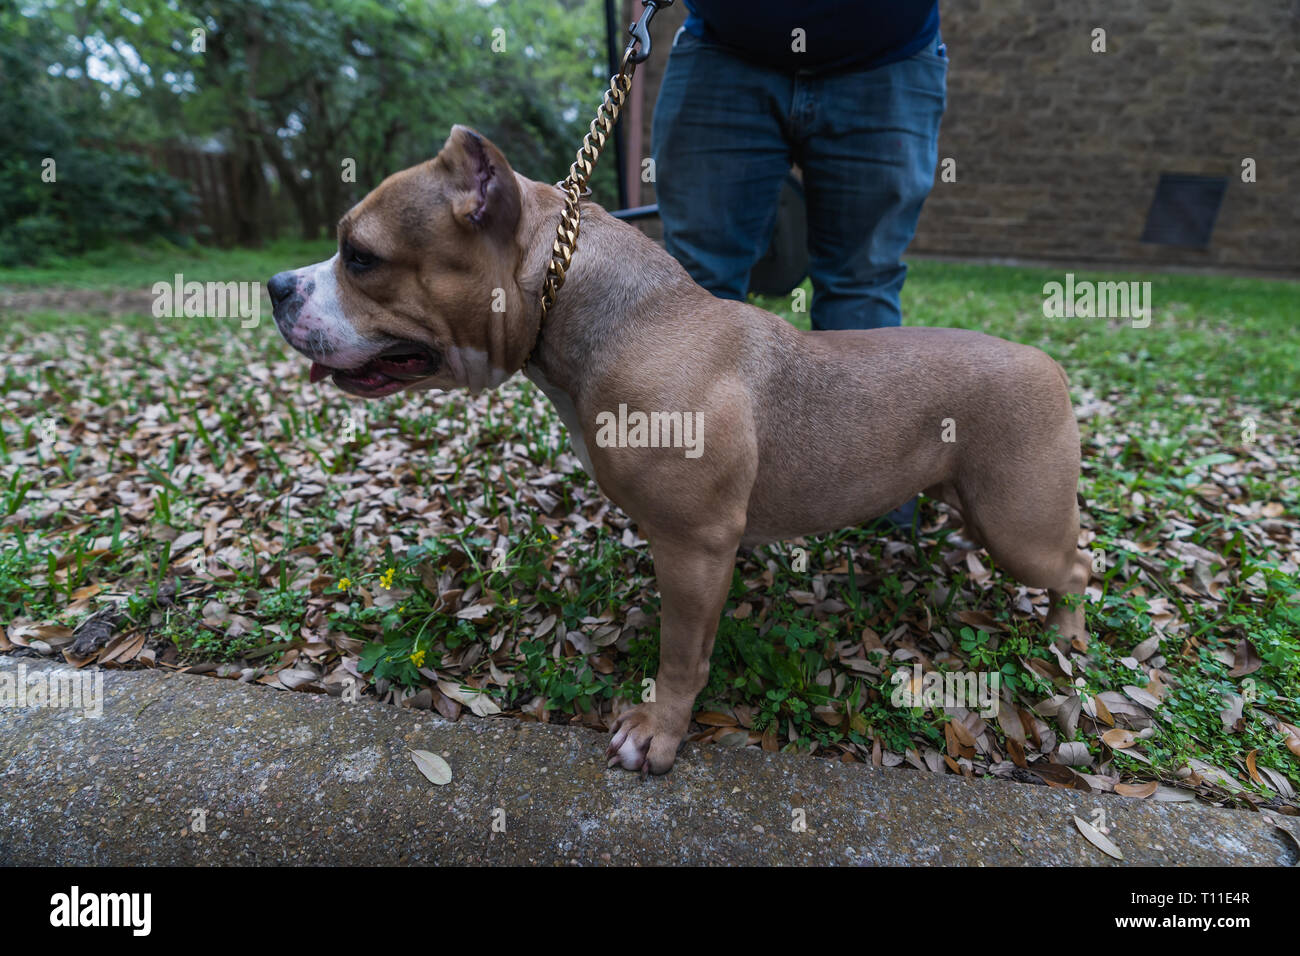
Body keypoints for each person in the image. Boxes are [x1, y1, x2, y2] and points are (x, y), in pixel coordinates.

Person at [651, 0, 947, 528]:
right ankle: (686, 489)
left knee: (864, 283)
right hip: (724, 47)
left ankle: (871, 510)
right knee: (697, 288)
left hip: (889, 56)